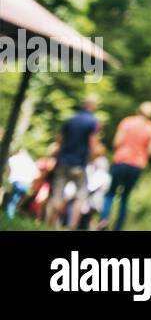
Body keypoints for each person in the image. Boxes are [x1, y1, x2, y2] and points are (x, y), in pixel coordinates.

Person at [98, 100, 151, 231]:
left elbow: (117, 142)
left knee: (110, 193)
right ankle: (118, 227)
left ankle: (104, 220)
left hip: (121, 160)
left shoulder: (127, 122)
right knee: (125, 197)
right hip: (137, 165)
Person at [44, 93, 103, 227]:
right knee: (80, 197)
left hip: (63, 162)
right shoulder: (93, 122)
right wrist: (94, 162)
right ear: (94, 106)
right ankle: (72, 227)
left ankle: (48, 225)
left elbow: (59, 141)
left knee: (57, 194)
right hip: (79, 165)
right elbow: (93, 146)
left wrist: (54, 157)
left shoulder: (71, 120)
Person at [4, 145, 39, 220]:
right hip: (26, 184)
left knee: (11, 201)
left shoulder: (14, 158)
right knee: (15, 200)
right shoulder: (31, 162)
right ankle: (9, 216)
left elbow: (7, 169)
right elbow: (36, 174)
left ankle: (8, 217)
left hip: (16, 181)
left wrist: (8, 177)